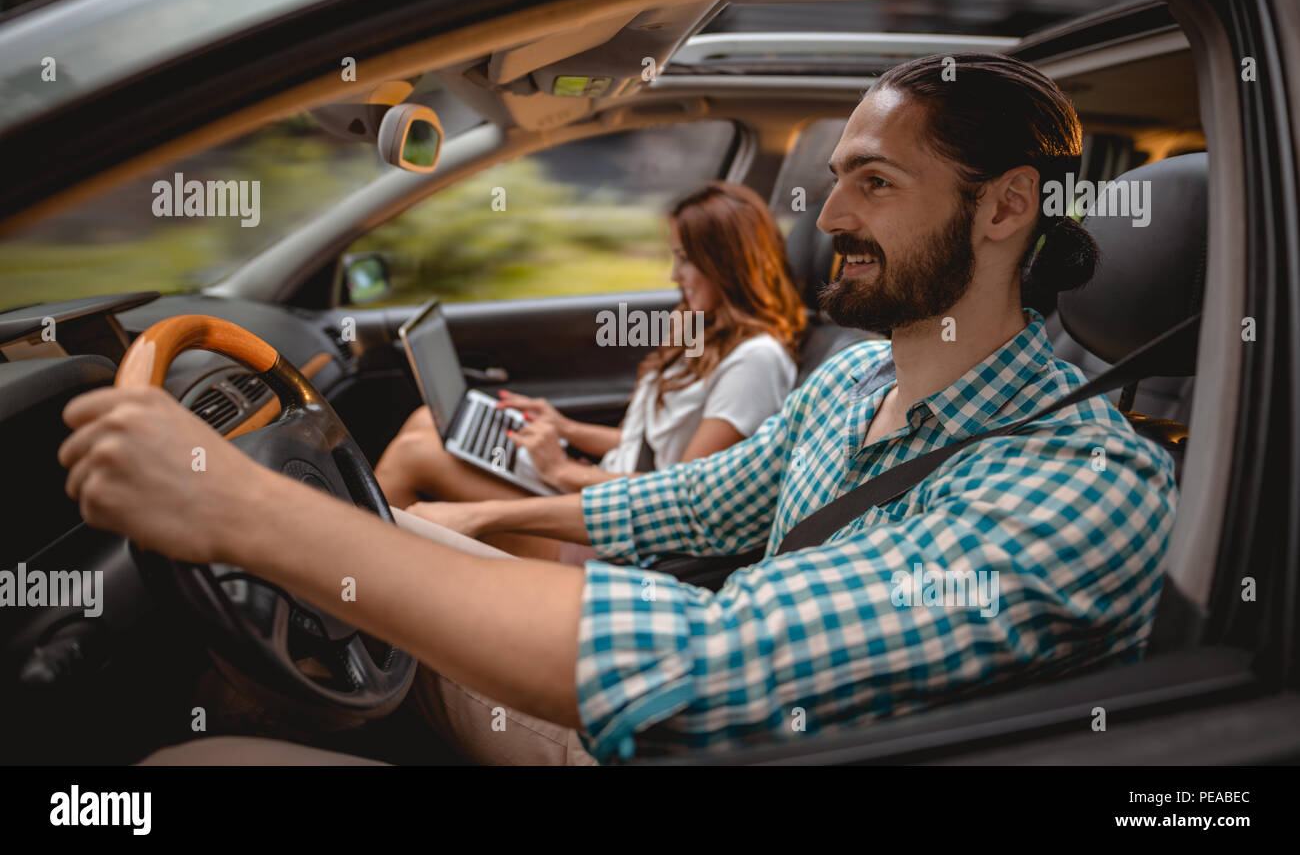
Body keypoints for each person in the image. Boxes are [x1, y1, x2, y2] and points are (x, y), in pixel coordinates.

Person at [60, 53, 1177, 766]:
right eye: (838, 174)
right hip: (667, 706)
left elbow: (721, 662)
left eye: (875, 180)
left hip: (701, 724)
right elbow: (685, 505)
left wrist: (244, 510)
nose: (826, 210)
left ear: (1006, 209)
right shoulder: (850, 381)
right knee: (320, 640)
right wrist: (471, 524)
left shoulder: (1087, 483)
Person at [372, 181, 806, 561]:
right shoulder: (705, 330)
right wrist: (565, 427)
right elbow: (647, 442)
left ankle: (348, 586)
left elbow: (682, 497)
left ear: (728, 264)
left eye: (685, 259)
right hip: (598, 492)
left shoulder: (757, 361)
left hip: (621, 536)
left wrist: (560, 469)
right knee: (425, 421)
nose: (674, 275)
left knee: (417, 455)